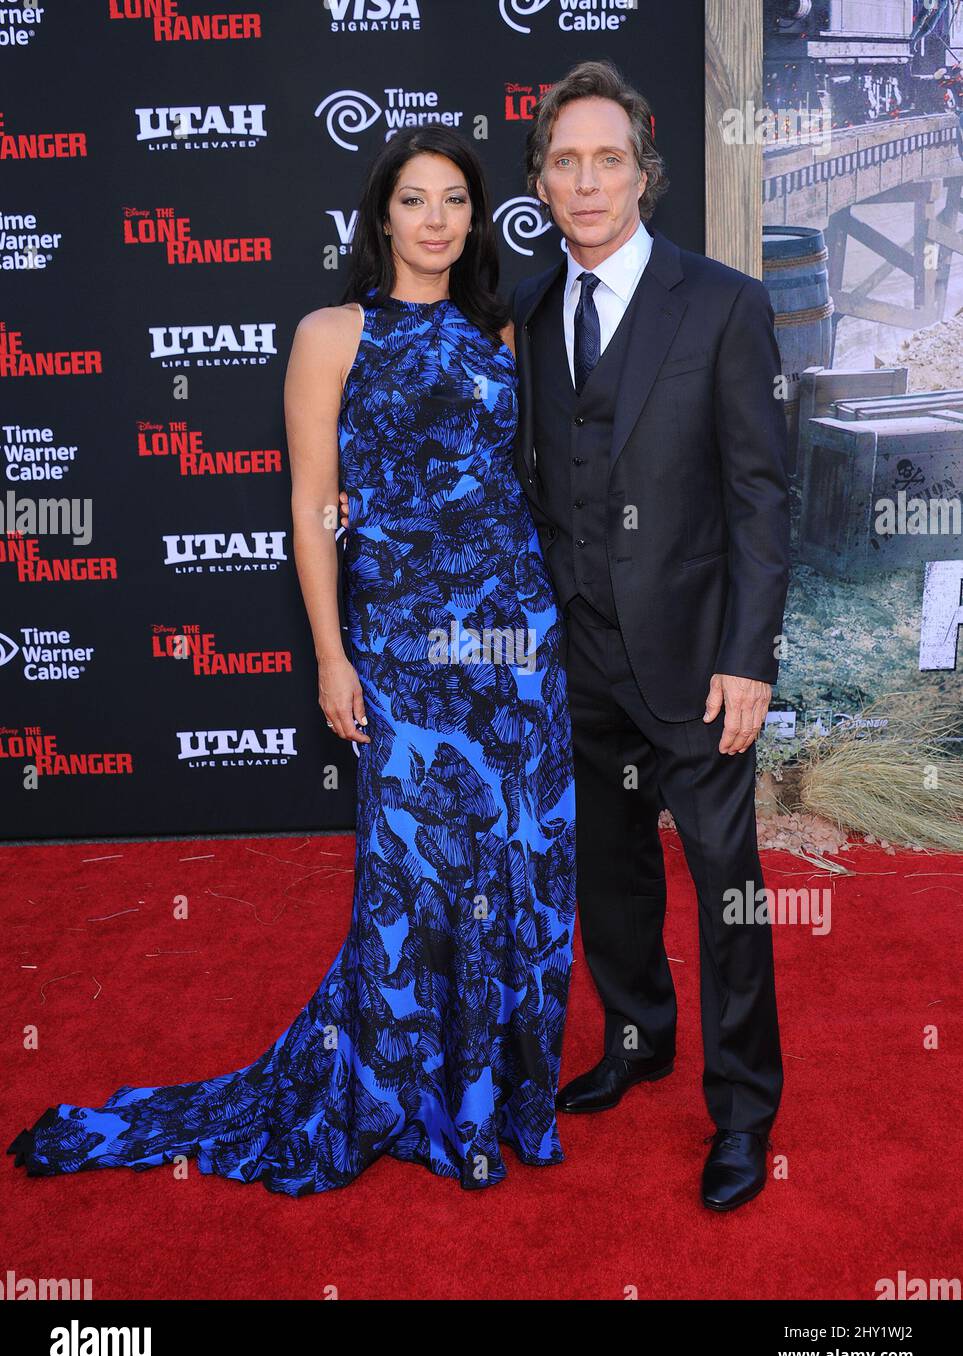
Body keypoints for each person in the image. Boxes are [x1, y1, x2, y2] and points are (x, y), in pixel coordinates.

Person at [7, 127, 577, 1197]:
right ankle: (403, 1089)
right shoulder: (330, 333)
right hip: (405, 642)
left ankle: (501, 1092)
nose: (439, 220)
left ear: (476, 215)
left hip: (517, 639)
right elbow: (314, 510)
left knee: (517, 868)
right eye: (416, 200)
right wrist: (332, 653)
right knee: (415, 880)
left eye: (456, 200)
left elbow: (518, 479)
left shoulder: (501, 328)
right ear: (382, 215)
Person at [345, 62, 791, 1212]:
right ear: (539, 181)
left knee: (727, 888)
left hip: (698, 664)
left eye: (607, 159)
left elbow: (760, 497)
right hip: (566, 663)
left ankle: (743, 1110)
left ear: (646, 169)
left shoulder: (727, 304)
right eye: (563, 161)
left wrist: (749, 658)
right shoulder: (525, 313)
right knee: (610, 877)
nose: (585, 181)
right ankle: (637, 1041)